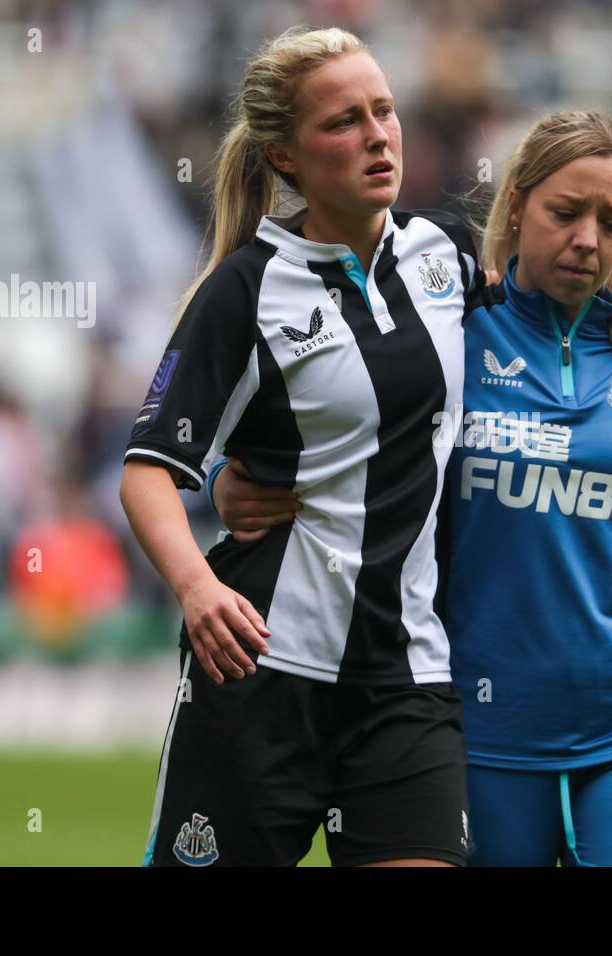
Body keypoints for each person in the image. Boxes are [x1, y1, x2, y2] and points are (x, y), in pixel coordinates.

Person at [210, 110, 612, 866]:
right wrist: (232, 479)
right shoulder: (451, 328)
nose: (588, 239)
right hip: (473, 735)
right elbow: (342, 433)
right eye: (566, 212)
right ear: (516, 202)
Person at [121, 25, 481, 868]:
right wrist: (197, 588)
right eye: (344, 122)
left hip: (408, 679)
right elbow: (147, 474)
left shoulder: (448, 257)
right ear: (284, 156)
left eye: (384, 111)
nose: (376, 135)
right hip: (262, 675)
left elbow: (549, 298)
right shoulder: (241, 292)